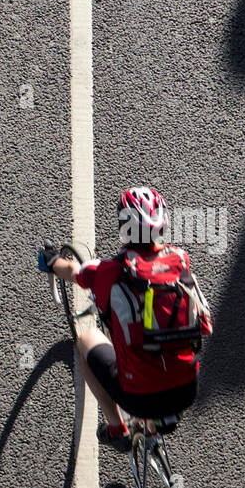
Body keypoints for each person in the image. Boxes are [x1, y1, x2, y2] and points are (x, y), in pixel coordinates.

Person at [40, 187, 214, 452]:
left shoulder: (108, 270)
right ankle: (159, 421)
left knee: (86, 340)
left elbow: (74, 271)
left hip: (137, 396)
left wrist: (52, 261)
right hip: (186, 391)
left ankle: (116, 429)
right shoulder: (180, 261)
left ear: (124, 226)